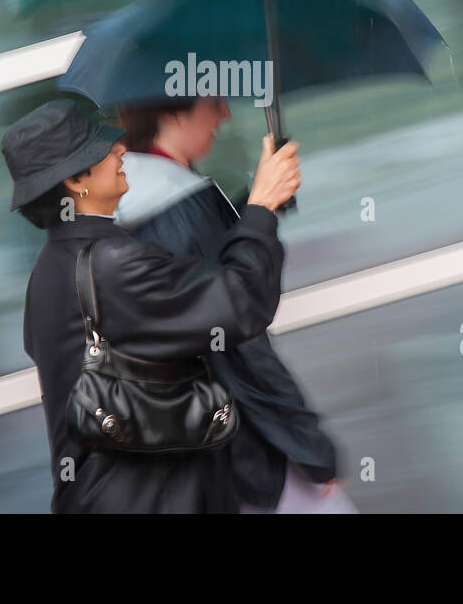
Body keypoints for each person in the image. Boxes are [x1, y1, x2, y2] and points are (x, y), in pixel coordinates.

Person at [2, 99, 301, 513]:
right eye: (103, 150)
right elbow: (239, 301)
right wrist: (262, 208)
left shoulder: (52, 269)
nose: (121, 150)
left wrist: (251, 208)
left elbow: (176, 299)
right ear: (75, 181)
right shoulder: (111, 264)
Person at [115, 97, 356, 513]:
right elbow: (238, 337)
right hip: (250, 455)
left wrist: (259, 206)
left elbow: (213, 285)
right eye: (212, 102)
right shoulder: (175, 209)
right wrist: (311, 447)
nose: (225, 114)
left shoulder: (152, 197)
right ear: (172, 112)